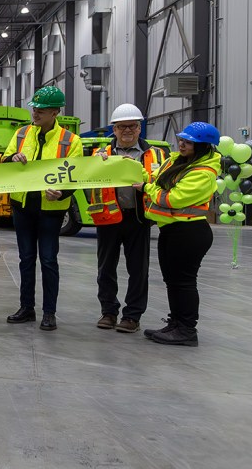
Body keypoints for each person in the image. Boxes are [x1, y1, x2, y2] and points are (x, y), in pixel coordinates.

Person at [0, 85, 83, 331]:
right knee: (26, 259)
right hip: (23, 205)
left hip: (51, 209)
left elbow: (76, 176)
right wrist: (11, 158)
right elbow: (4, 159)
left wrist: (62, 193)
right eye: (34, 108)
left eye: (41, 110)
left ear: (55, 112)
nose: (35, 113)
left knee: (48, 260)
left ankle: (49, 312)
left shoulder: (71, 141)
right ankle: (27, 308)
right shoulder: (21, 134)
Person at [139, 121, 220, 346]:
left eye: (188, 142)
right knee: (172, 281)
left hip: (189, 232)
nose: (182, 144)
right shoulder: (177, 161)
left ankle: (187, 330)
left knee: (183, 282)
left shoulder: (203, 173)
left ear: (203, 146)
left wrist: (147, 188)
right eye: (182, 140)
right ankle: (175, 323)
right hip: (171, 229)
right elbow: (154, 179)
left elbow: (173, 198)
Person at [88, 104, 168, 333]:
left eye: (132, 126)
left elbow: (164, 182)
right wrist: (97, 164)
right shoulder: (99, 154)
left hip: (139, 218)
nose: (127, 130)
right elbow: (86, 181)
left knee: (138, 270)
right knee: (105, 268)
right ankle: (108, 312)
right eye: (122, 126)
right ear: (114, 129)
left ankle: (132, 316)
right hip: (108, 216)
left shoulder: (156, 154)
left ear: (139, 128)